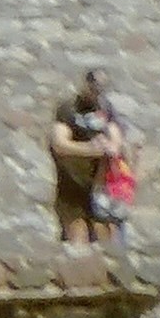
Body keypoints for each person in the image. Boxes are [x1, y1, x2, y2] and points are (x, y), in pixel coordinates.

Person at [50, 75, 121, 248]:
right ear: (86, 85)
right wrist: (89, 149)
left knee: (106, 239)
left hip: (98, 186)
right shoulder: (69, 109)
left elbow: (115, 135)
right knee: (77, 237)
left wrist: (112, 147)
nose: (97, 92)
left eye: (101, 89)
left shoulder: (105, 109)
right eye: (94, 87)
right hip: (72, 184)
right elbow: (59, 143)